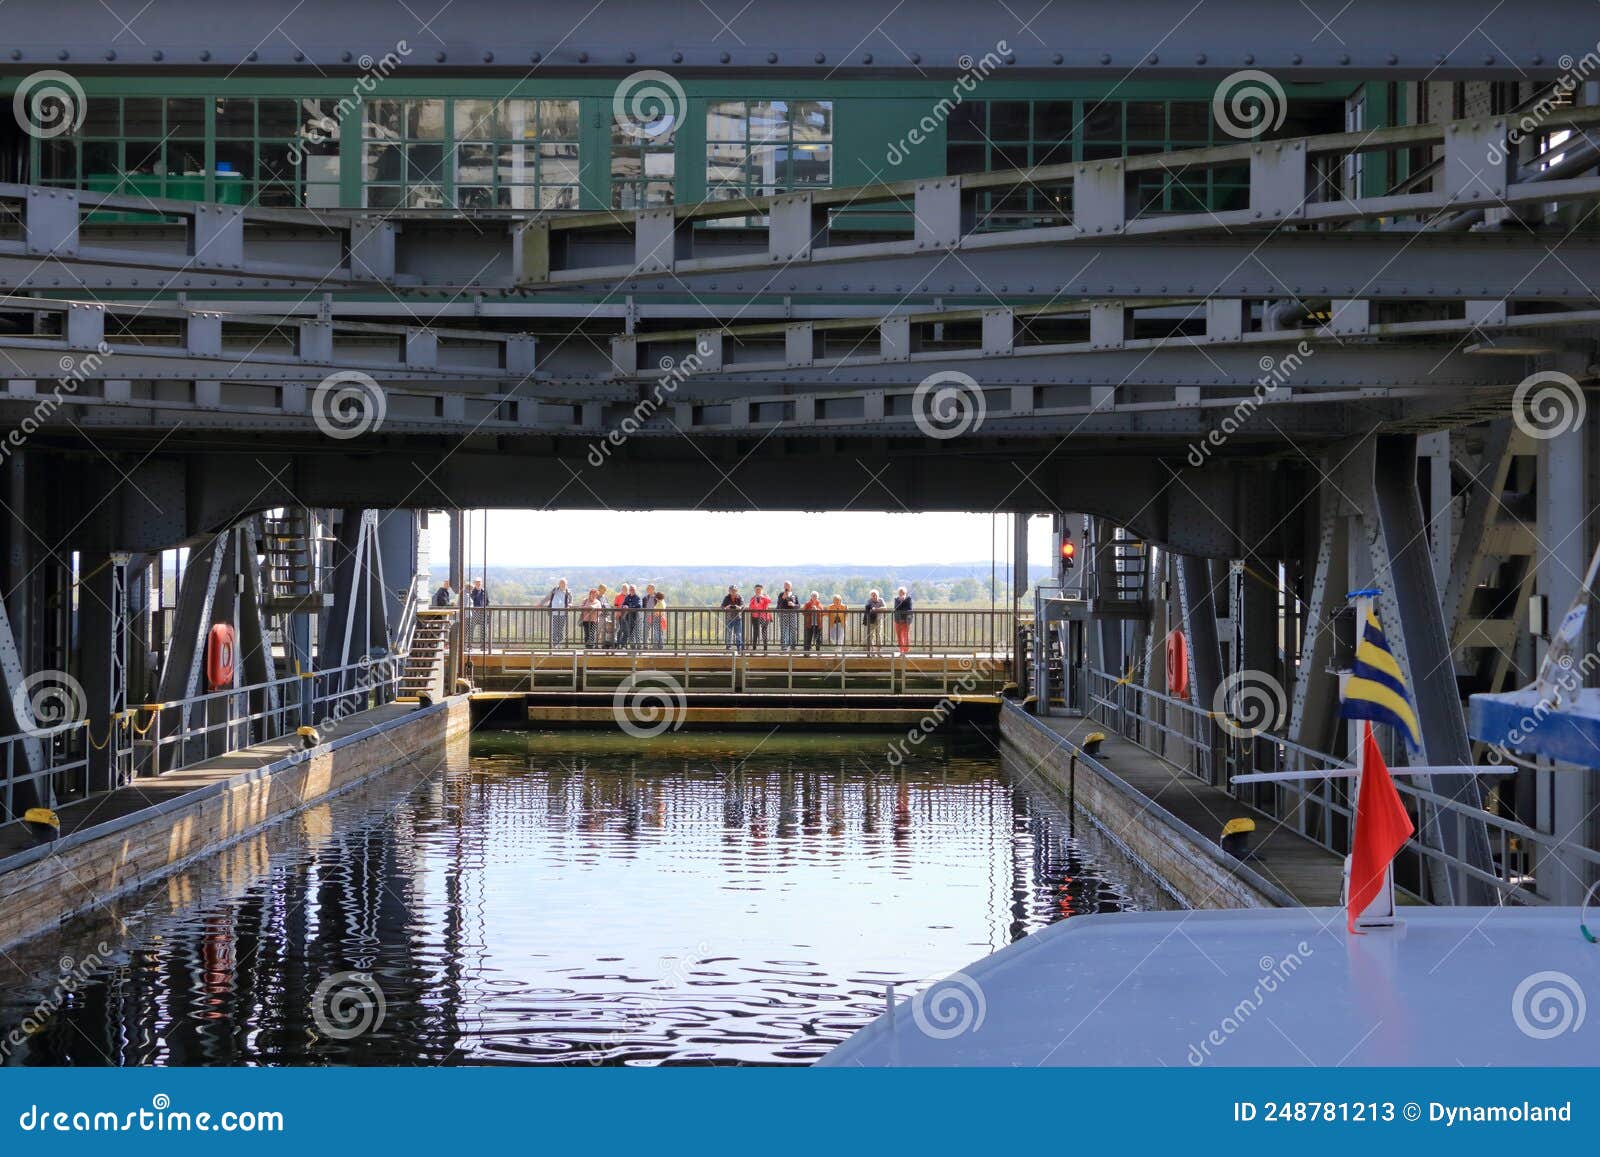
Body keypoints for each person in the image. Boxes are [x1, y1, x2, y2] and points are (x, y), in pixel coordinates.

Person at [545, 578, 572, 648]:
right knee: (554, 629)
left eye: (564, 583)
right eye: (561, 583)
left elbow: (571, 602)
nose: (562, 585)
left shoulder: (568, 592)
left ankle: (559, 644)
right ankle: (554, 644)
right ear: (559, 584)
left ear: (566, 584)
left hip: (563, 614)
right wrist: (540, 604)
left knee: (560, 629)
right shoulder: (554, 591)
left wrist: (569, 606)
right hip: (554, 613)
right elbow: (547, 598)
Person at [777, 581, 801, 650]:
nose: (786, 587)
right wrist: (783, 598)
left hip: (792, 615)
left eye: (788, 585)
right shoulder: (781, 594)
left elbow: (798, 605)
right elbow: (779, 605)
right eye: (785, 585)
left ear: (791, 587)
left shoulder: (794, 595)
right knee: (783, 630)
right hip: (783, 615)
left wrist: (793, 605)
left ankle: (793, 646)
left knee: (793, 629)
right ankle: (783, 646)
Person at [748, 583, 773, 651]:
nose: (758, 591)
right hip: (755, 617)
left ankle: (765, 648)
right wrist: (755, 601)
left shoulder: (765, 596)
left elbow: (769, 601)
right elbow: (750, 607)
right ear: (754, 590)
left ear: (762, 590)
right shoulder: (753, 598)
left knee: (764, 631)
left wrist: (761, 596)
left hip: (764, 617)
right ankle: (754, 648)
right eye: (756, 590)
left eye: (759, 589)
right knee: (755, 631)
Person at [862, 589, 886, 655]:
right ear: (871, 596)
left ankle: (879, 651)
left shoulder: (881, 600)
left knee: (879, 634)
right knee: (871, 635)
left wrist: (876, 609)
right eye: (872, 595)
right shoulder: (869, 601)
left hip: (879, 619)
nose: (874, 596)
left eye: (875, 595)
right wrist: (873, 609)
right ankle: (872, 651)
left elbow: (885, 608)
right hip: (871, 620)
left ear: (878, 595)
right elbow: (867, 608)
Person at [721, 585, 744, 651]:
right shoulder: (726, 598)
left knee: (738, 633)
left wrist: (739, 607)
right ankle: (728, 646)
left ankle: (738, 647)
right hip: (729, 618)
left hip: (738, 618)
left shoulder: (739, 597)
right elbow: (722, 606)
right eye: (731, 590)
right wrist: (726, 607)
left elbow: (743, 606)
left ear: (736, 591)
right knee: (728, 633)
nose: (733, 592)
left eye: (734, 590)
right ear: (729, 591)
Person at [892, 586, 914, 655]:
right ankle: (901, 651)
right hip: (898, 620)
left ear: (905, 593)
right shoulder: (896, 599)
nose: (901, 594)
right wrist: (900, 602)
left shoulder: (908, 599)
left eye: (903, 592)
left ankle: (906, 650)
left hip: (906, 620)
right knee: (899, 636)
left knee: (906, 635)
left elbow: (909, 608)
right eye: (900, 593)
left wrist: (903, 601)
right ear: (898, 593)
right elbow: (896, 609)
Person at [469, 578, 489, 645]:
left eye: (479, 582)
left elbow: (487, 601)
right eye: (477, 582)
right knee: (471, 628)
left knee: (483, 629)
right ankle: (469, 645)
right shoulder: (472, 591)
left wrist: (486, 609)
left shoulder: (484, 591)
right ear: (475, 583)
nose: (478, 583)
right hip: (474, 612)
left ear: (481, 583)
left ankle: (483, 645)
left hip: (483, 612)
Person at [647, 586, 667, 650]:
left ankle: (660, 645)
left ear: (657, 598)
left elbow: (659, 611)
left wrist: (654, 612)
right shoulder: (662, 602)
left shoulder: (660, 603)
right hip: (659, 618)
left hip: (658, 618)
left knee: (657, 632)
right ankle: (659, 645)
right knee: (659, 632)